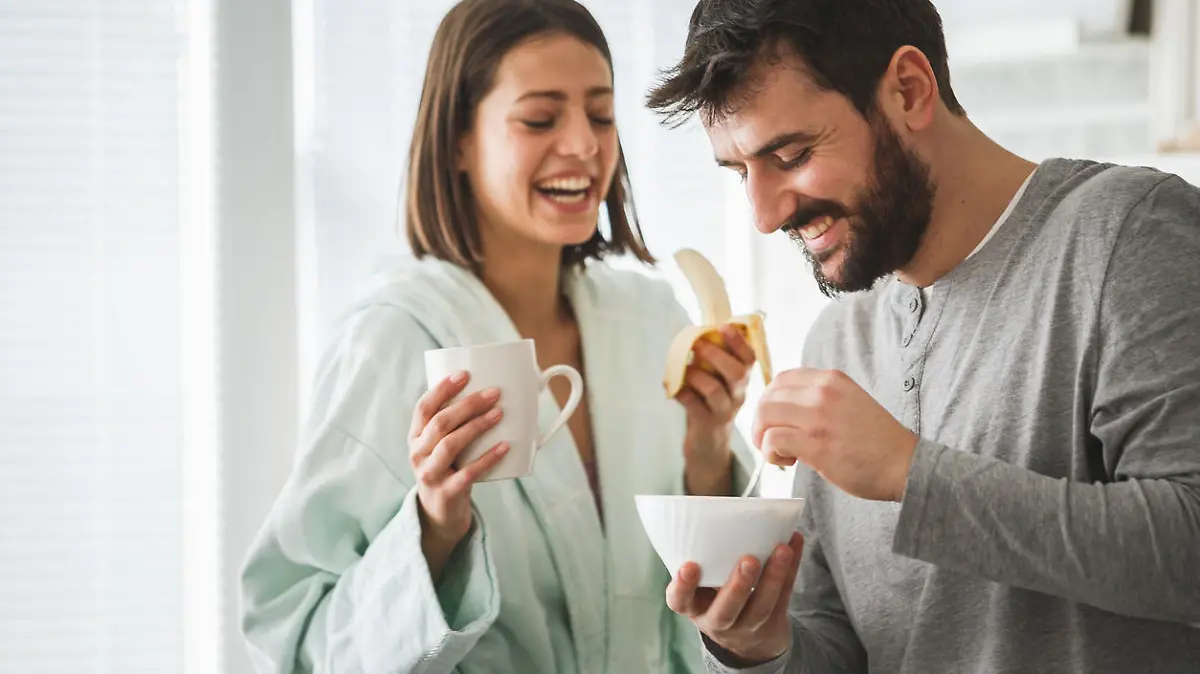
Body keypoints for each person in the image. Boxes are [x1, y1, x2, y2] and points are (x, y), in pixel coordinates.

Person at [645, 0, 1200, 672]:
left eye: (790, 155)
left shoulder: (1129, 235)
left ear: (908, 90)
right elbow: (842, 646)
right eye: (741, 172)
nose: (763, 215)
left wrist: (909, 474)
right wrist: (757, 647)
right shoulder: (837, 342)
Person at [238, 1, 761, 672]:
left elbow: (719, 609)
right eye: (540, 119)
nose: (583, 145)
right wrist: (435, 526)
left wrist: (708, 449)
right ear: (459, 139)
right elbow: (294, 638)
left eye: (602, 116)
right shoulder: (392, 341)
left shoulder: (651, 319)